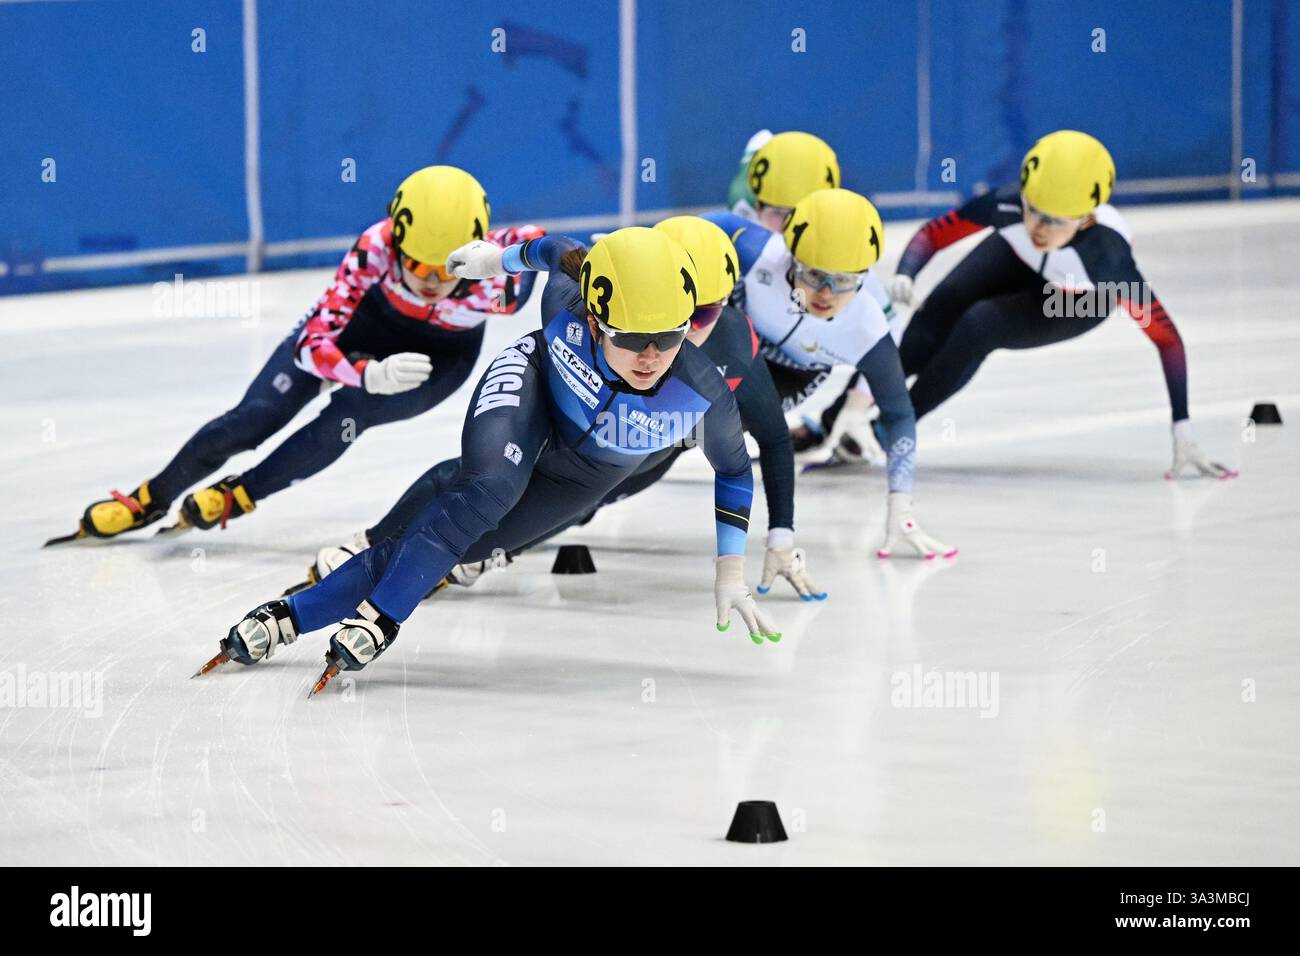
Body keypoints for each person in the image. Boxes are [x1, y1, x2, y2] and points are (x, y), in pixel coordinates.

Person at [195, 227, 780, 696]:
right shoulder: (568, 295)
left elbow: (734, 469)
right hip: (531, 389)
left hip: (588, 473)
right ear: (596, 318)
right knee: (487, 491)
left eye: (669, 337)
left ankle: (288, 616)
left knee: (458, 549)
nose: (651, 357)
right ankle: (382, 619)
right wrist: (496, 261)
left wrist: (730, 567)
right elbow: (553, 252)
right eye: (631, 340)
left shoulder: (703, 392)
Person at [299, 216, 826, 602]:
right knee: (483, 479)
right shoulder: (592, 295)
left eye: (709, 310)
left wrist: (780, 534)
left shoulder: (732, 351)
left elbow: (770, 443)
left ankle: (480, 553)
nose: (695, 325)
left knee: (573, 503)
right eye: (687, 308)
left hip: (625, 453)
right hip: (553, 398)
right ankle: (372, 543)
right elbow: (557, 254)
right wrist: (492, 262)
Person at [51, 166, 543, 544]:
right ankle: (151, 498)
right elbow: (312, 345)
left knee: (350, 414)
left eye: (448, 267)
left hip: (437, 358)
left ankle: (241, 494)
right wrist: (363, 372)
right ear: (396, 244)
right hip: (364, 329)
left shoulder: (495, 274)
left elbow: (545, 244)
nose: (433, 280)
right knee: (257, 415)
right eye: (416, 263)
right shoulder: (375, 247)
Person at [887, 130, 1230, 479]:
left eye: (1055, 220)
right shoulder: (1008, 206)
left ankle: (886, 430)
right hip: (1017, 258)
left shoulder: (1107, 260)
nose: (1039, 227)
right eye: (1033, 211)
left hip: (1077, 298)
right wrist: (905, 273)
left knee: (979, 326)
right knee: (941, 305)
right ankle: (841, 419)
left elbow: (1166, 338)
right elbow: (933, 234)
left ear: (1086, 219)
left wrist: (1182, 428)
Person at [704, 189, 957, 559]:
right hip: (738, 338)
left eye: (843, 281)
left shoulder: (868, 326)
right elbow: (706, 229)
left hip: (791, 374)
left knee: (694, 428)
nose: (825, 293)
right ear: (792, 257)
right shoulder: (761, 252)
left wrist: (900, 505)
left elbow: (899, 413)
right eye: (814, 275)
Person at [727, 129, 899, 463]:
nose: (791, 226)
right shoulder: (741, 207)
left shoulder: (837, 244)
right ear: (757, 203)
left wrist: (860, 398)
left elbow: (894, 332)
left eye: (801, 216)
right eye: (779, 213)